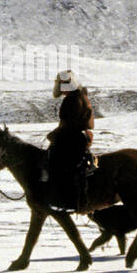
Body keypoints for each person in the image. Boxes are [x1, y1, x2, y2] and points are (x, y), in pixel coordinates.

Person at [44, 70, 95, 210]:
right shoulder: (81, 96)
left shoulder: (71, 100)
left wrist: (55, 135)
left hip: (72, 139)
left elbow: (68, 124)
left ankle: (66, 201)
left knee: (55, 164)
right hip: (80, 137)